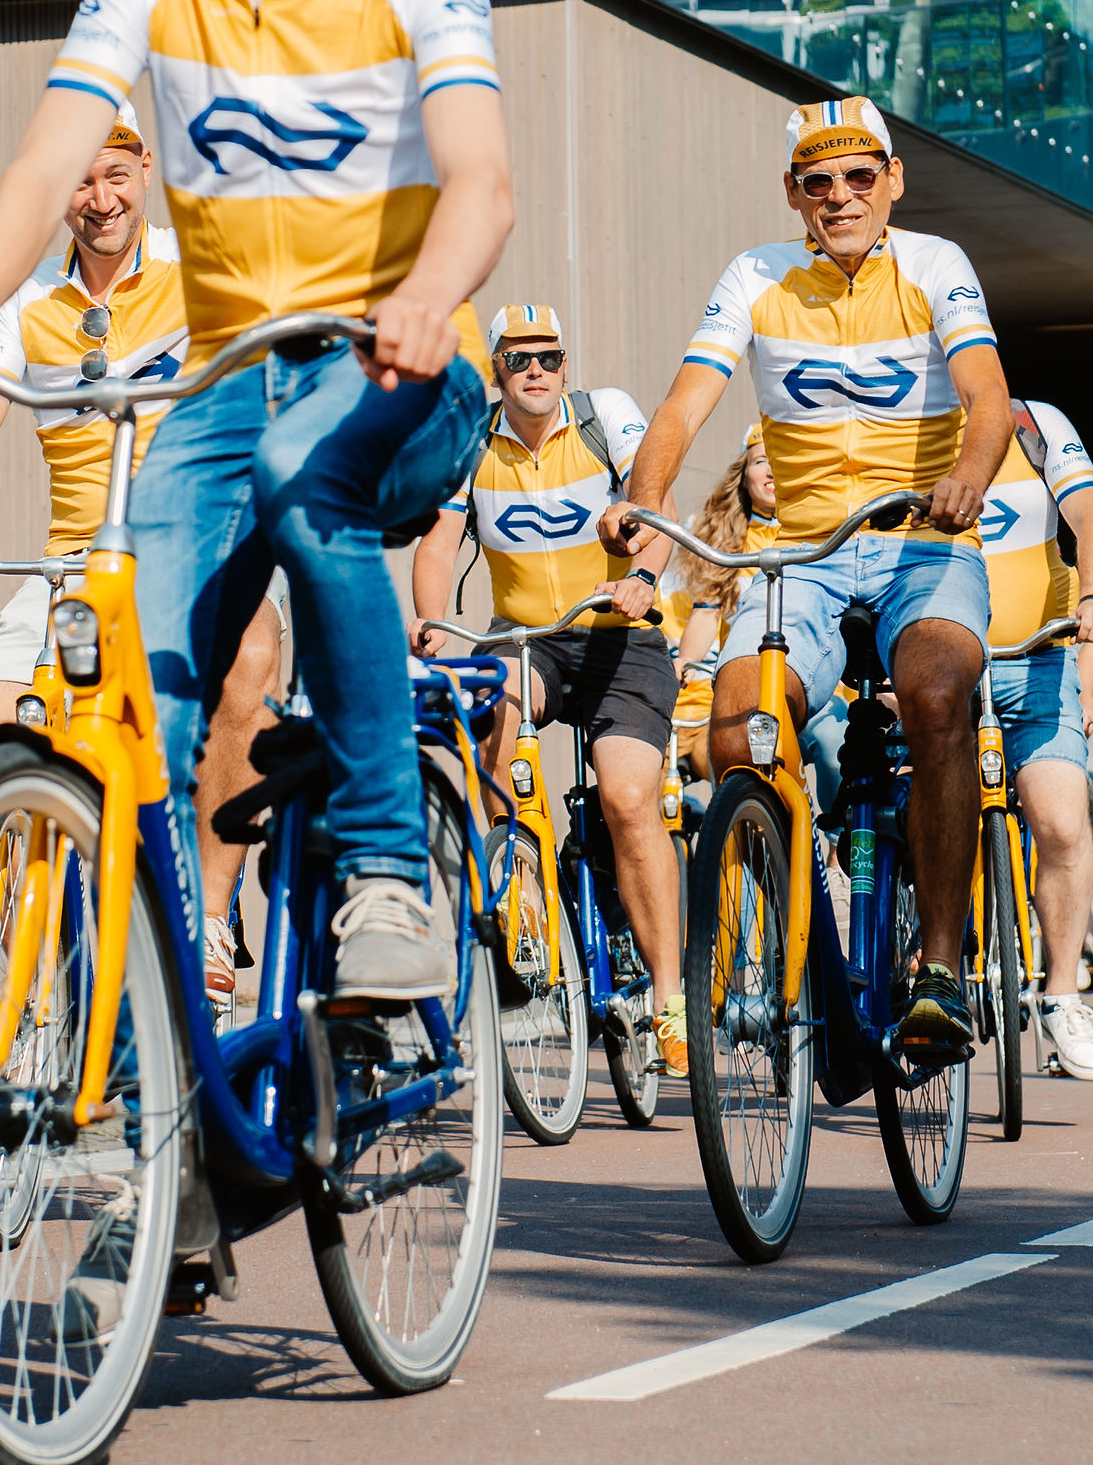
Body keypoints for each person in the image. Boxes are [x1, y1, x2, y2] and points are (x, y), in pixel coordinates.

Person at [0, 0, 509, 1006]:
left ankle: (390, 872)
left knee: (306, 472)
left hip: (400, 371)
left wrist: (421, 298)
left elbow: (480, 182)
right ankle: (158, 1016)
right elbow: (50, 159)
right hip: (226, 387)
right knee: (138, 675)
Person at [606, 96, 1012, 1070]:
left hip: (925, 541)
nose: (841, 195)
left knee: (935, 690)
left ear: (893, 179)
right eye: (818, 180)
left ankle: (940, 970)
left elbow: (987, 395)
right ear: (793, 193)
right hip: (804, 553)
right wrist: (643, 517)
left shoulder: (935, 265)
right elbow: (680, 405)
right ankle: (804, 947)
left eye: (860, 175)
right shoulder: (755, 275)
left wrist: (968, 476)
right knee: (737, 725)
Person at [0, 100, 285, 1004]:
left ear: (144, 174)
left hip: (202, 544)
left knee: (249, 660)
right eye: (81, 180)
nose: (99, 198)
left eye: (116, 174)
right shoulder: (27, 308)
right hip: (74, 568)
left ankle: (211, 915)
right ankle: (32, 957)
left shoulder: (202, 269)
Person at [411, 305, 687, 1076]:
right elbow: (437, 544)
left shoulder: (606, 419)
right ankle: (521, 913)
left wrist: (641, 576)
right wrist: (433, 622)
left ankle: (671, 1000)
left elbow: (655, 505)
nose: (536, 371)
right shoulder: (472, 442)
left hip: (621, 639)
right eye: (518, 359)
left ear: (566, 366)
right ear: (497, 370)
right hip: (529, 641)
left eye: (549, 358)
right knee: (487, 714)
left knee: (630, 799)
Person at [974, 400, 1093, 1077]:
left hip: (1036, 662)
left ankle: (1062, 996)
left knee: (1063, 825)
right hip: (940, 665)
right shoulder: (901, 429)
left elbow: (1091, 515)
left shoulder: (1035, 425)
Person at [668, 436, 778, 782]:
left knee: (830, 744)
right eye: (760, 461)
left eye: (780, 457)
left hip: (811, 680)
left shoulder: (820, 529)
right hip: (745, 682)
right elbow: (706, 611)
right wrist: (685, 660)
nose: (772, 468)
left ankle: (841, 835)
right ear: (743, 476)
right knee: (732, 765)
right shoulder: (726, 540)